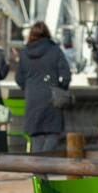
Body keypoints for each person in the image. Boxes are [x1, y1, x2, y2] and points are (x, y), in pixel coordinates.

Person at [15, 21, 72, 153]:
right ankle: (41, 169)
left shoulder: (24, 53)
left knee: (36, 136)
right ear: (47, 34)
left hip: (32, 98)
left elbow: (19, 78)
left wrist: (28, 88)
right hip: (51, 97)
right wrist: (61, 88)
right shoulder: (55, 50)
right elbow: (66, 75)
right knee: (53, 133)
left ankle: (38, 170)